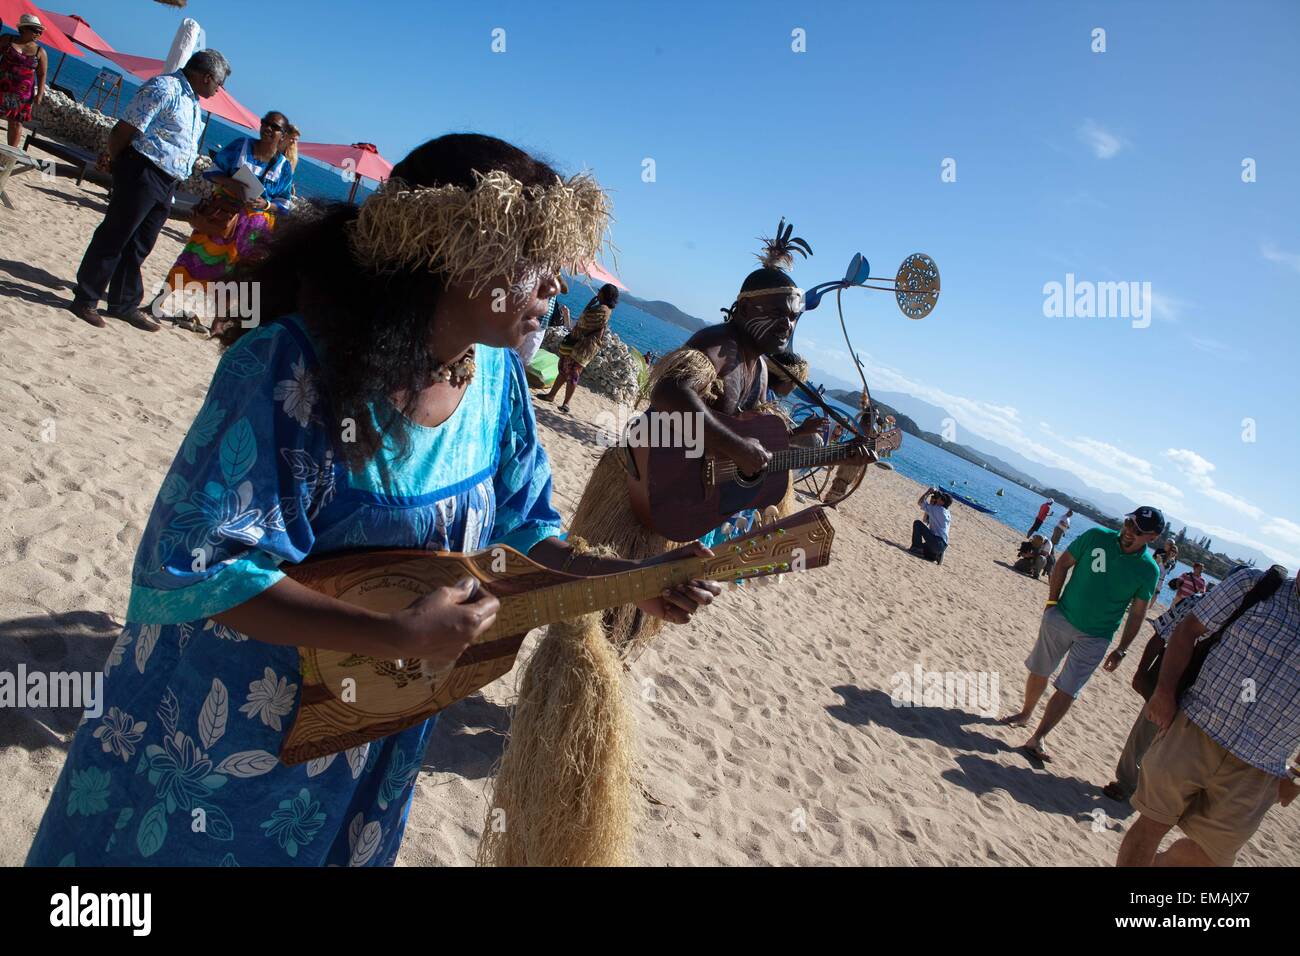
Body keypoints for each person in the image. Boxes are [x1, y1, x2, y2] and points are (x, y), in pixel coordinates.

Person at [25, 133, 719, 867]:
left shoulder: (499, 383)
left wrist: (632, 584)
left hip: (365, 736)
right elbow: (201, 567)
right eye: (532, 258)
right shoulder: (288, 368)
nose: (555, 288)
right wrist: (393, 635)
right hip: (217, 731)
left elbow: (527, 528)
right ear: (450, 248)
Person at [1116, 566, 1300, 867]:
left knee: (1210, 858)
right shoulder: (1255, 585)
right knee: (1151, 826)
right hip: (1195, 728)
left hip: (1259, 766)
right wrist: (1164, 691)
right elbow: (1188, 629)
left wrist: (1296, 775)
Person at [68, 50, 230, 332]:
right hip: (143, 171)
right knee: (115, 236)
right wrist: (119, 163)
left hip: (166, 181)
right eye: (219, 83)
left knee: (141, 243)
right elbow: (125, 129)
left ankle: (123, 303)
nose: (219, 89)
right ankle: (86, 298)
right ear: (206, 77)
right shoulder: (164, 87)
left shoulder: (191, 99)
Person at [1002, 507, 1163, 762]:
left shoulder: (1148, 570)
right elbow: (1063, 564)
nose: (1129, 531)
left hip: (1097, 636)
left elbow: (1137, 613)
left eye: (1138, 530)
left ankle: (1038, 736)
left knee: (1069, 687)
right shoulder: (1097, 536)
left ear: (1152, 537)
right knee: (1040, 669)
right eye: (1129, 522)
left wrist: (1122, 649)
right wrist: (1052, 603)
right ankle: (1025, 714)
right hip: (1062, 616)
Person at [153, 113, 296, 334]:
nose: (267, 128)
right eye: (265, 123)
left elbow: (284, 203)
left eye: (274, 127)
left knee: (236, 273)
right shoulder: (241, 146)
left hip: (254, 230)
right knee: (193, 256)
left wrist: (266, 204)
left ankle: (218, 323)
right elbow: (213, 172)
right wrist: (232, 183)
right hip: (223, 216)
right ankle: (157, 303)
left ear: (283, 134)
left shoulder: (283, 167)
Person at [1101, 590, 1208, 802]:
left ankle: (1137, 785)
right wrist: (1142, 672)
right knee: (1148, 730)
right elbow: (1161, 635)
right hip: (1175, 678)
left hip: (1201, 688)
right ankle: (1127, 782)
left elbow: (1160, 635)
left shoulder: (1245, 622)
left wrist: (1142, 671)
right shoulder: (1197, 602)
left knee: (1159, 737)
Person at [538, 283, 616, 412]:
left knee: (573, 372)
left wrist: (588, 307)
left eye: (600, 291)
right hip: (579, 344)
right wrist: (590, 306)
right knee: (564, 370)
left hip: (584, 347)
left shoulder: (603, 310)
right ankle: (551, 395)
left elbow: (583, 321)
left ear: (605, 294)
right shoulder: (601, 308)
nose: (598, 293)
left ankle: (566, 403)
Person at [0, 14, 47, 148]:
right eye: (35, 30)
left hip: (22, 95)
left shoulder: (40, 52)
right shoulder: (7, 40)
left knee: (16, 123)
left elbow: (42, 74)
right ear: (24, 29)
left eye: (40, 31)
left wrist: (40, 93)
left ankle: (9, 155)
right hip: (1, 87)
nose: (39, 34)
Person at [514, 276, 568, 366]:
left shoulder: (556, 278)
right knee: (515, 349)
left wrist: (556, 274)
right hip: (528, 317)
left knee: (527, 356)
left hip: (542, 323)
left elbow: (565, 290)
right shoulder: (540, 271)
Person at [909, 488, 952, 564]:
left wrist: (928, 492)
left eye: (939, 498)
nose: (937, 498)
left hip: (936, 541)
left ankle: (917, 548)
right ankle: (937, 555)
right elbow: (926, 520)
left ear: (942, 502)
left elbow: (920, 502)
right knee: (926, 553)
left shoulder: (937, 509)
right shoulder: (947, 512)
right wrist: (933, 502)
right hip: (942, 545)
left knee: (917, 523)